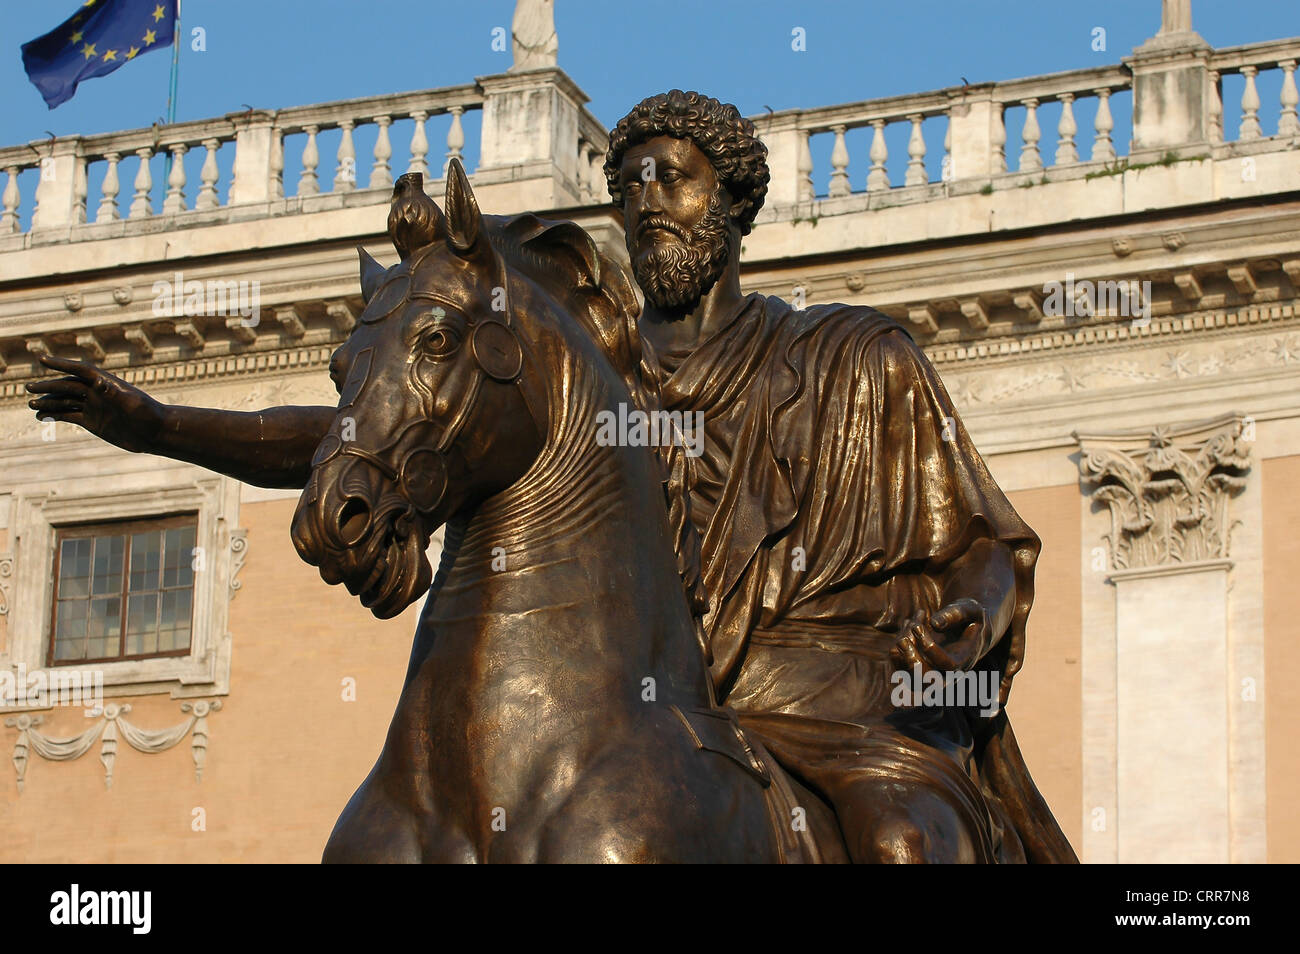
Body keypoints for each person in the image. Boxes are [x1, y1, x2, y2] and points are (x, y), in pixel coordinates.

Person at [28, 88, 1076, 863]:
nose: (649, 202)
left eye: (677, 178)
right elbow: (373, 431)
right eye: (632, 186)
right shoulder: (581, 375)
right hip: (642, 694)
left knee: (906, 846)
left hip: (824, 695)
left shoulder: (852, 356)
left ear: (735, 202)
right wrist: (160, 424)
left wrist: (970, 622)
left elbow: (980, 542)